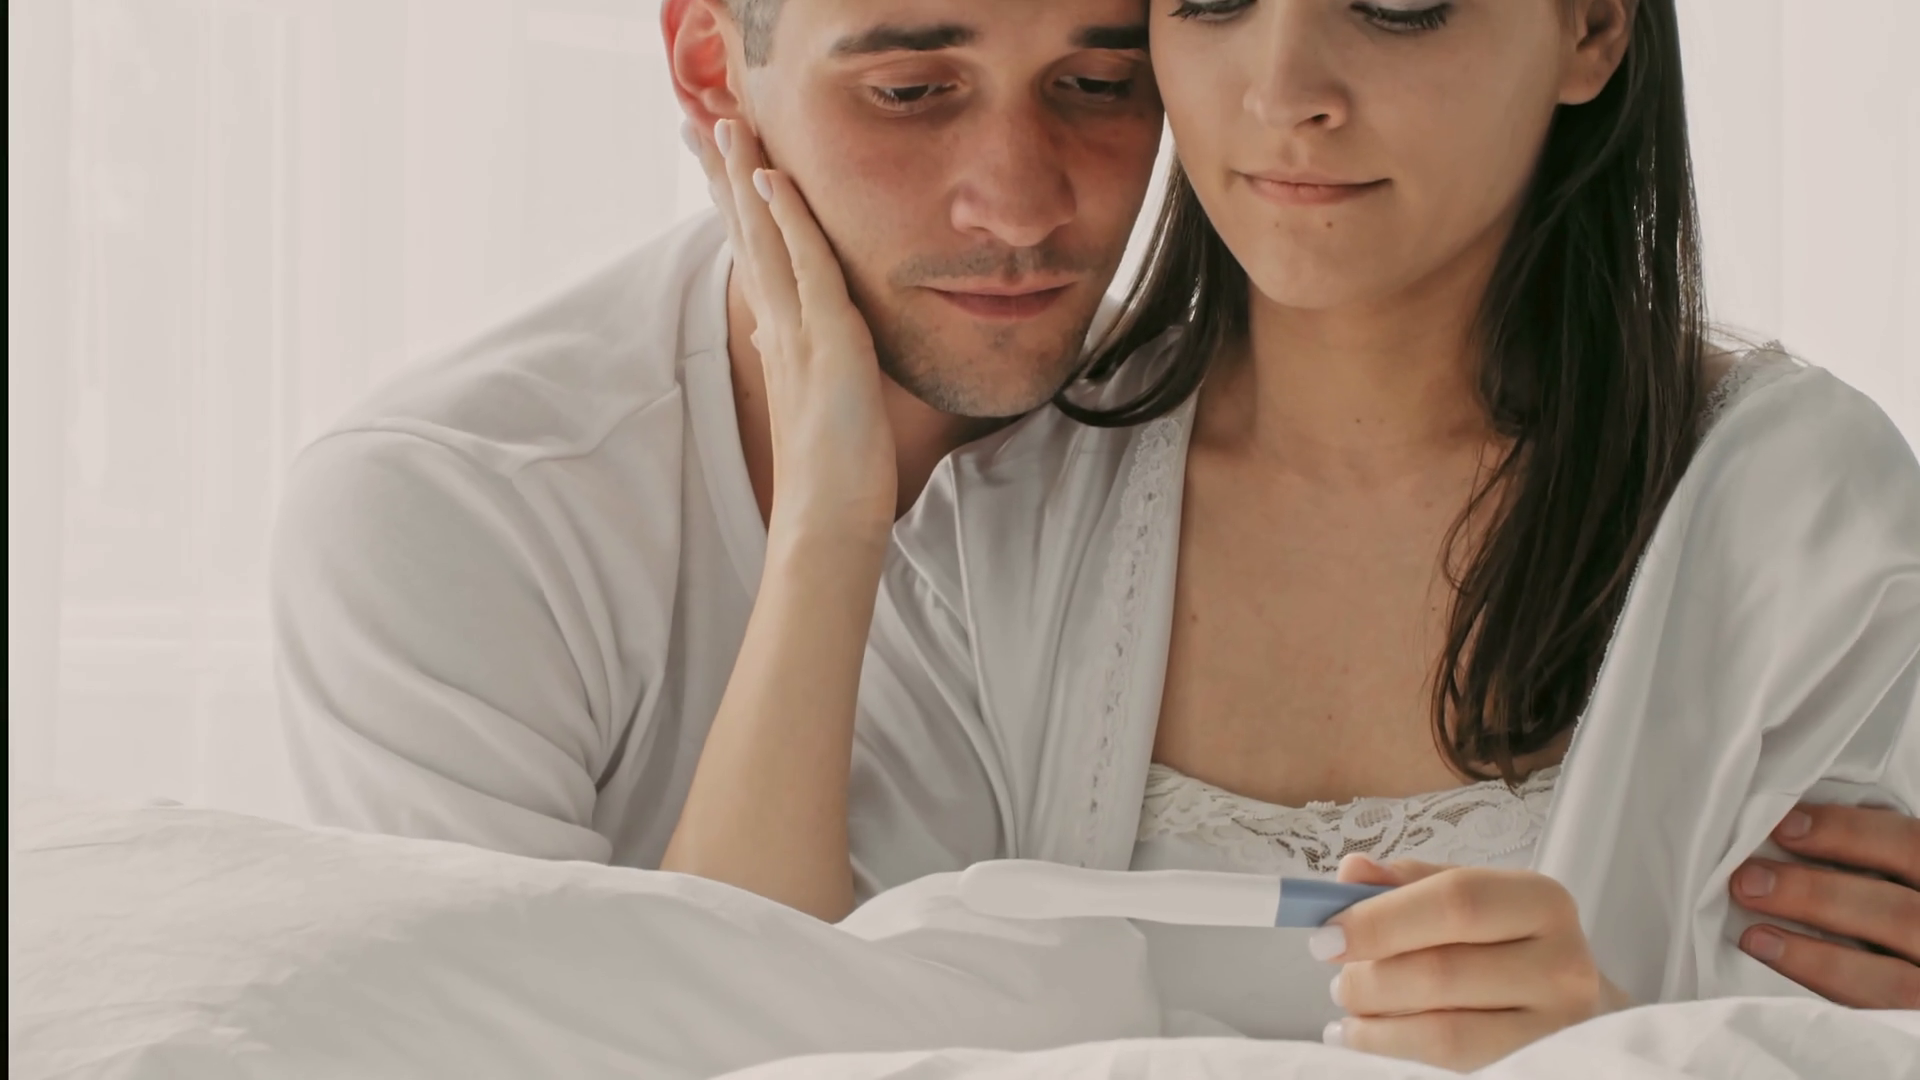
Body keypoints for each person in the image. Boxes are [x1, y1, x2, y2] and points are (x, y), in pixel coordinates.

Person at [663, 0, 1920, 1067]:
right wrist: (835, 515)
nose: (1284, 91)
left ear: (1590, 27)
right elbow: (703, 1009)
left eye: (1395, 2)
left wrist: (1612, 1046)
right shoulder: (1015, 509)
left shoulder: (1794, 516)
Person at [268, 0, 1162, 869]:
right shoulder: (458, 509)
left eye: (1098, 82)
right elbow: (567, 1018)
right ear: (712, 68)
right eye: (909, 92)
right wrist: (831, 527)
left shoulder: (1216, 447)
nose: (1018, 207)